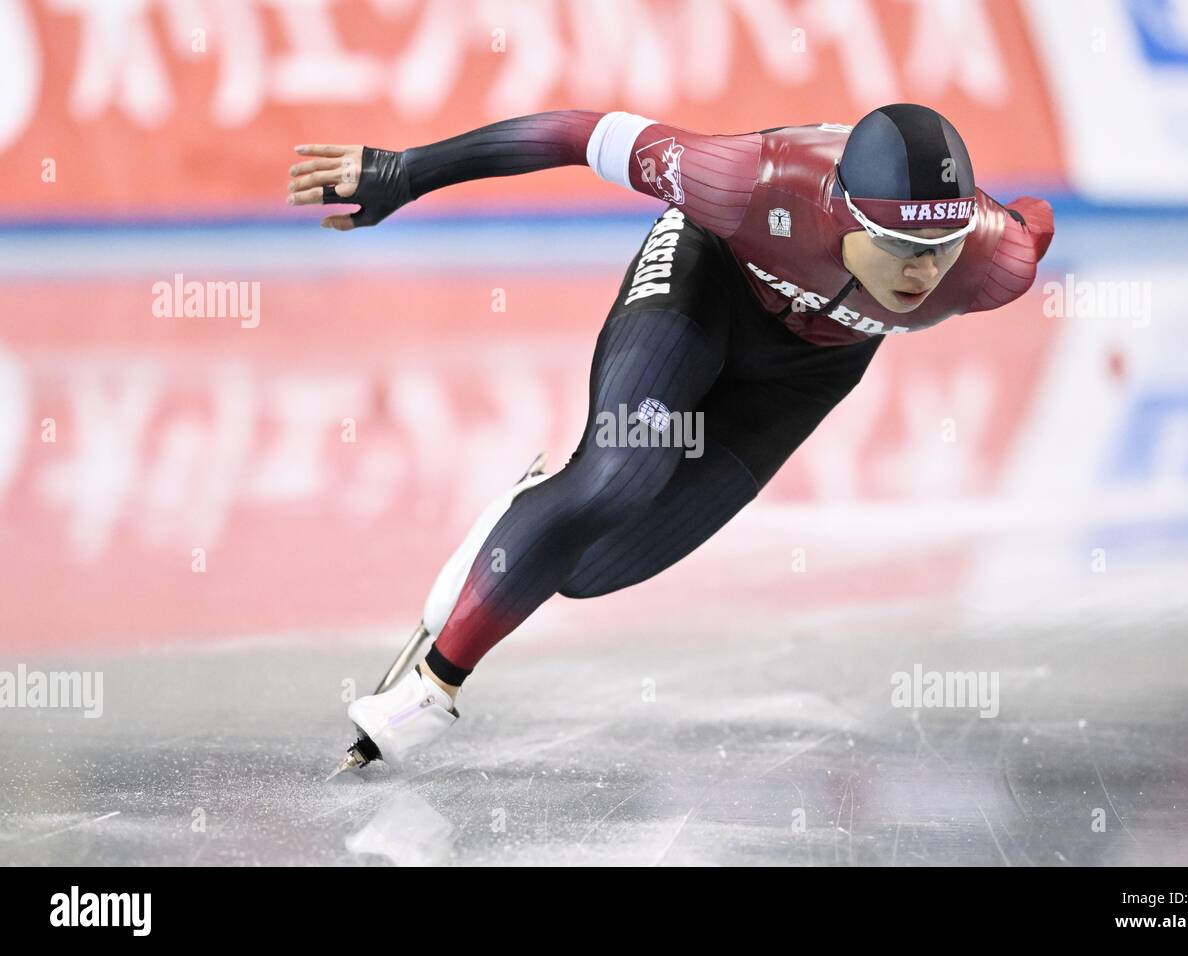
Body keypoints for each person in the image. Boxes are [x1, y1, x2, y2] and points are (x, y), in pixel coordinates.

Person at [287, 104, 1054, 771]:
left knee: (588, 570)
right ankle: (432, 690)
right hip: (704, 282)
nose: (921, 270)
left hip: (803, 376)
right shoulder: (748, 180)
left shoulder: (995, 259)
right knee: (619, 475)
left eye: (940, 245)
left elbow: (1033, 217)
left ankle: (535, 509)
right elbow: (578, 133)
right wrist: (408, 172)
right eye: (896, 243)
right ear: (845, 215)